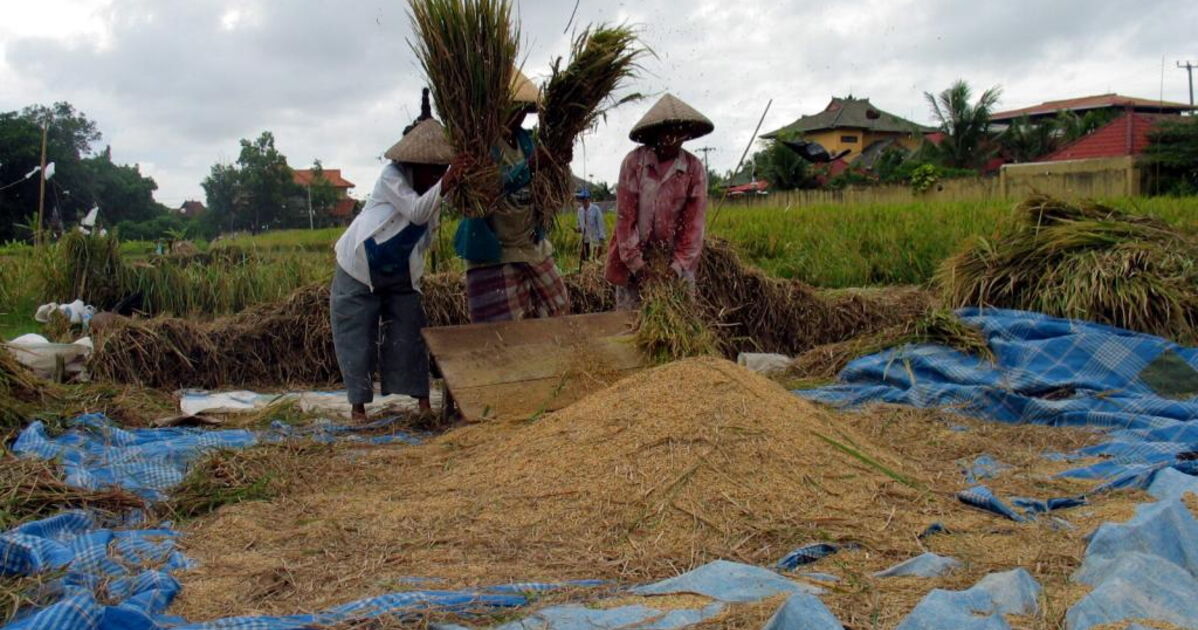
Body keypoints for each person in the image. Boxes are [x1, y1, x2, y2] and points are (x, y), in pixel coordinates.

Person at [330, 92, 464, 423]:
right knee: (357, 338)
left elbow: (424, 234)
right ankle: (358, 408)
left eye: (440, 171)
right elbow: (417, 213)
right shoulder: (392, 177)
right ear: (413, 164)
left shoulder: (433, 190)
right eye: (430, 172)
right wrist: (448, 181)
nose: (435, 178)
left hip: (401, 274)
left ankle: (422, 405)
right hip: (359, 269)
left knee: (409, 333)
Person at [455, 69, 571, 322]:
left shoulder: (527, 141)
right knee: (505, 330)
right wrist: (529, 166)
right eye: (513, 109)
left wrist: (558, 160)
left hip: (531, 244)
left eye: (522, 111)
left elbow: (544, 176)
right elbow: (487, 189)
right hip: (496, 251)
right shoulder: (481, 146)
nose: (518, 117)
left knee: (559, 309)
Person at [605, 94, 713, 310]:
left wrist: (675, 268)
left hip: (674, 261)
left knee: (678, 324)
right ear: (655, 132)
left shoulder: (693, 169)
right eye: (667, 130)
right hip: (634, 259)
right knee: (629, 325)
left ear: (686, 133)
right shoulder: (634, 163)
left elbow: (693, 227)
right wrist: (639, 267)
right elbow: (625, 221)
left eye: (678, 131)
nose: (672, 137)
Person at [574, 188, 605, 263]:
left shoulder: (595, 209)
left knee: (594, 262)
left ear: (589, 199)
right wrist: (578, 229)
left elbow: (600, 225)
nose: (583, 201)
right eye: (582, 199)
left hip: (595, 241)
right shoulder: (580, 211)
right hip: (585, 241)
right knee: (584, 262)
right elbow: (579, 225)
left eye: (585, 199)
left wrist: (601, 240)